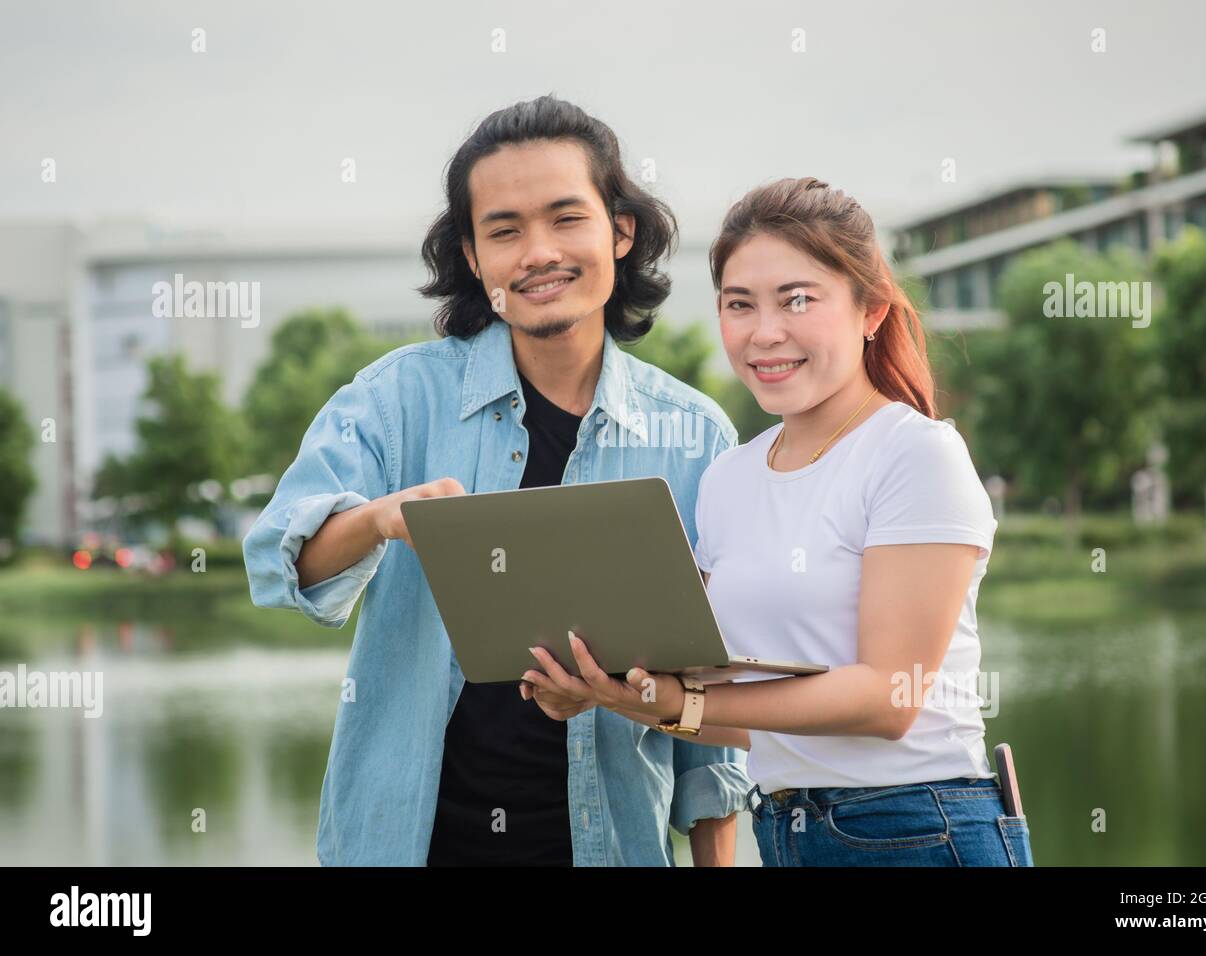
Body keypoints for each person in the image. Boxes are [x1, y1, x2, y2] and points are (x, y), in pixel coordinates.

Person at [242, 95, 749, 866]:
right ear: (474, 260)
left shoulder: (697, 436)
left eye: (565, 218)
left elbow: (714, 720)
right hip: (405, 846)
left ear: (621, 231)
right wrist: (380, 518)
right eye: (504, 230)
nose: (537, 252)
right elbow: (280, 563)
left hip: (612, 845)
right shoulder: (394, 398)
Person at [522, 177, 1035, 867]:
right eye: (740, 305)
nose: (765, 333)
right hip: (787, 829)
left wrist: (685, 701)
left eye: (798, 300)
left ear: (871, 310)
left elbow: (888, 697)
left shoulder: (914, 453)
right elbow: (740, 716)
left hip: (919, 828)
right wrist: (611, 692)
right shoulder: (731, 477)